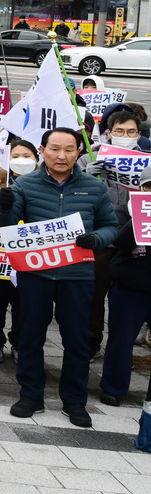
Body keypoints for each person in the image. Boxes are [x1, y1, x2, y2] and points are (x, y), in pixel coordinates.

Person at [0, 128, 118, 427]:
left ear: (79, 152)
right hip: (35, 273)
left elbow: (111, 226)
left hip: (77, 275)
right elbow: (5, 225)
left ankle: (75, 400)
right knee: (30, 335)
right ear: (42, 150)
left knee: (77, 340)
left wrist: (96, 239)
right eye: (54, 149)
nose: (61, 155)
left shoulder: (94, 187)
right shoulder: (25, 183)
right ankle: (30, 394)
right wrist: (4, 205)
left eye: (69, 149)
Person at [99, 164, 151, 409]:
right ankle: (113, 387)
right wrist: (140, 217)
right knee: (121, 339)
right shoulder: (124, 211)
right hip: (130, 287)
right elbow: (118, 242)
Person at [0, 140, 33, 362]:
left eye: (27, 156)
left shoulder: (42, 186)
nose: (21, 160)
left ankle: (19, 342)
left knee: (25, 304)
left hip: (29, 256)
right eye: (16, 156)